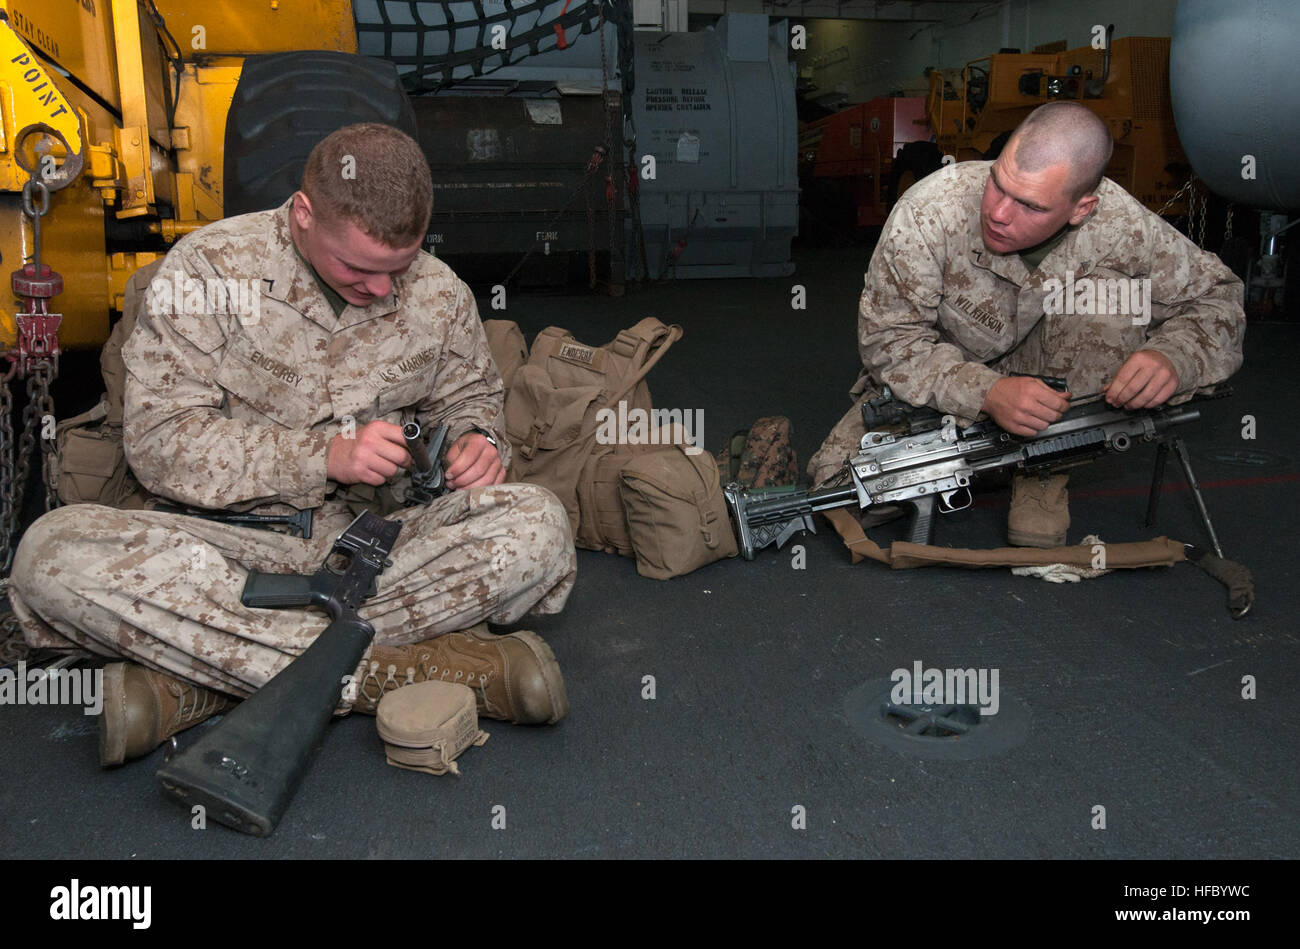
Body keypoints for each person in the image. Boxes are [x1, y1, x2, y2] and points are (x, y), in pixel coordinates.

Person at [7, 123, 576, 766]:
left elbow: (470, 398)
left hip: (371, 545)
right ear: (304, 215)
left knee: (539, 525)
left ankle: (200, 679)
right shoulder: (207, 270)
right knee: (51, 554)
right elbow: (159, 443)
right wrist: (323, 457)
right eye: (359, 268)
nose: (383, 289)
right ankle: (396, 674)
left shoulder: (441, 292)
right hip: (216, 546)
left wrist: (478, 441)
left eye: (400, 267)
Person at [807, 101, 1245, 546]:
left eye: (1030, 206)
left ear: (1082, 208)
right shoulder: (929, 212)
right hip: (942, 393)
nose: (998, 213)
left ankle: (1045, 466)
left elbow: (1218, 298)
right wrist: (988, 393)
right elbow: (890, 341)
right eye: (998, 184)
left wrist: (1172, 357)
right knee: (836, 496)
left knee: (1109, 301)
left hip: (1056, 404)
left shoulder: (1122, 227)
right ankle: (991, 461)